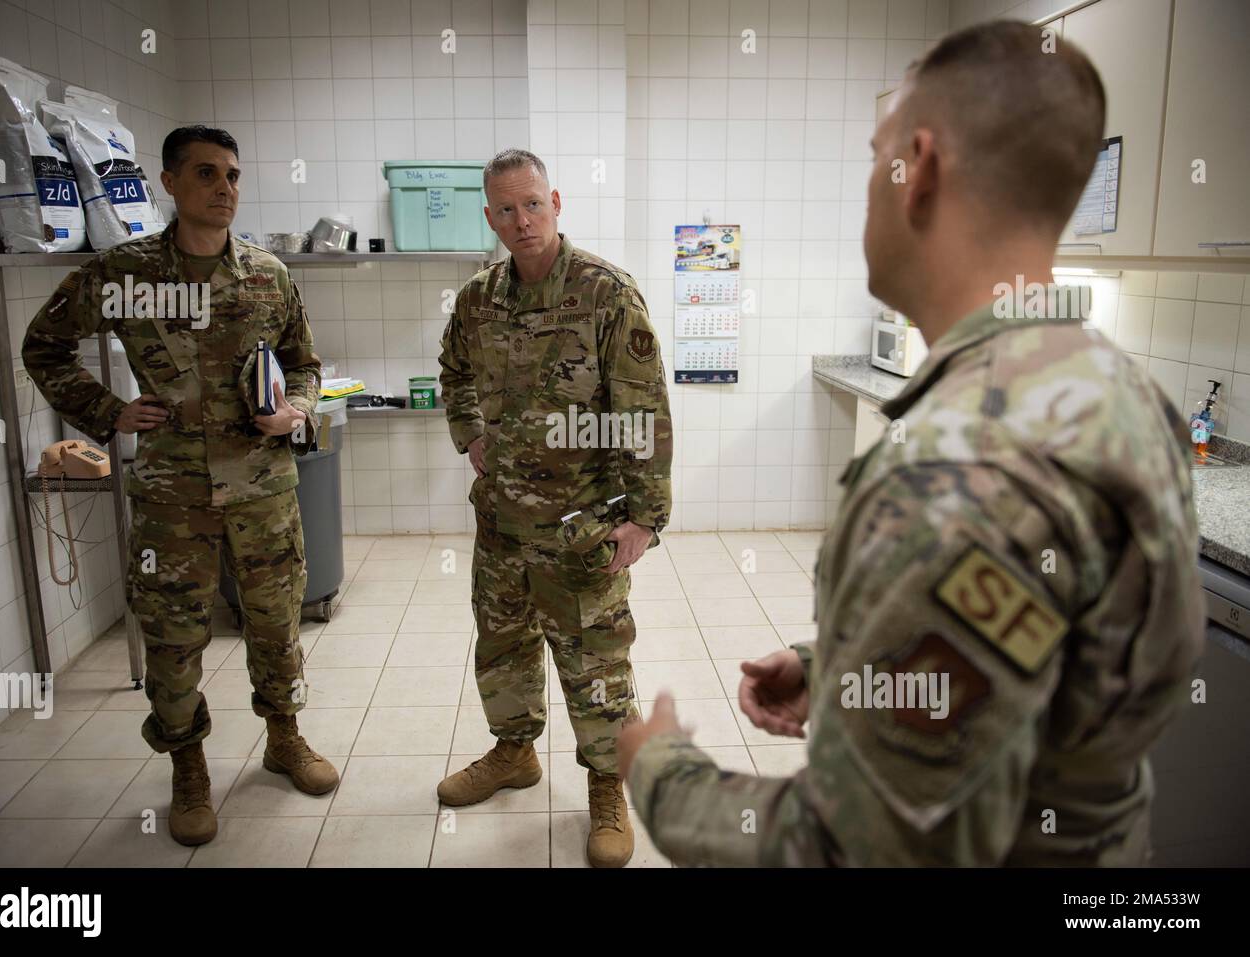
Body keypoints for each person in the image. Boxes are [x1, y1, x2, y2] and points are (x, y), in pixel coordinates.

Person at [618, 20, 1205, 866]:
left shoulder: (951, 470)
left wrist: (660, 770)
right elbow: (1050, 650)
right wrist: (845, 665)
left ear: (919, 170)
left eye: (874, 155)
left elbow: (853, 849)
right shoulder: (1126, 393)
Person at [22, 126, 337, 847]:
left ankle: (284, 738)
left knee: (277, 625)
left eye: (231, 174)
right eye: (205, 174)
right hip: (172, 497)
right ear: (169, 183)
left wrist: (296, 410)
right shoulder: (123, 274)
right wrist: (107, 411)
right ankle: (187, 766)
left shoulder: (266, 274)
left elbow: (306, 361)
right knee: (171, 637)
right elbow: (44, 344)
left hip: (262, 490)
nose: (223, 188)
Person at [437, 149, 673, 867]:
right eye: (506, 209)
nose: (522, 220)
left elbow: (645, 411)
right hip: (502, 522)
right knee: (503, 647)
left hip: (583, 528)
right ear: (490, 216)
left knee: (595, 660)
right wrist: (469, 431)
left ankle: (607, 784)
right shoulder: (478, 298)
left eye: (533, 204)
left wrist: (646, 519)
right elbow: (452, 369)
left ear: (557, 202)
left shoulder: (607, 294)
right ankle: (514, 752)